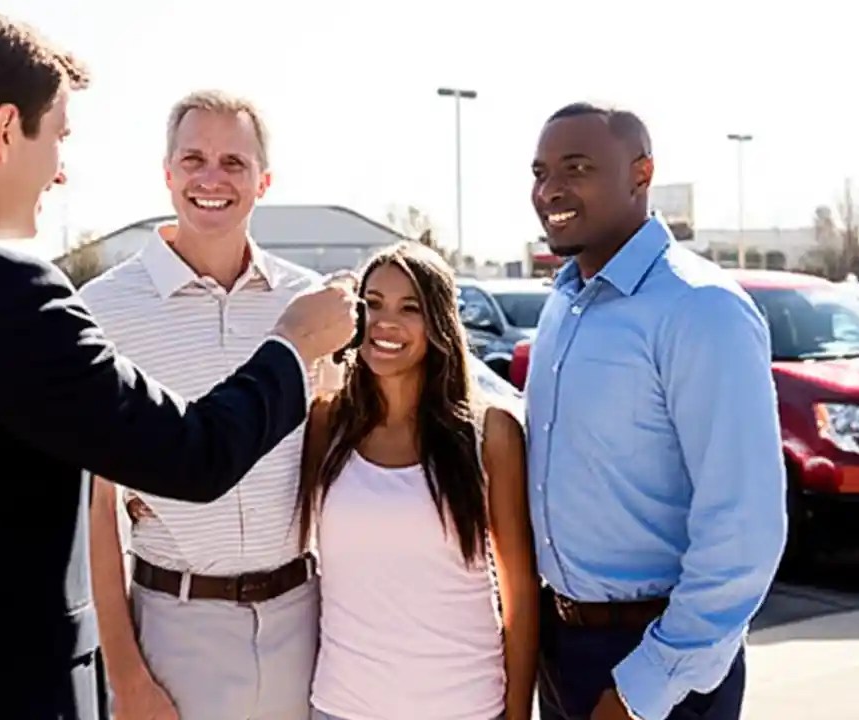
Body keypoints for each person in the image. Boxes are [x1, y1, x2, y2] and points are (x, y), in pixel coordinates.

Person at [0, 7, 358, 720]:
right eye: (59, 136)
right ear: (7, 130)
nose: (62, 170)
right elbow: (191, 458)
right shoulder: (14, 296)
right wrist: (294, 345)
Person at [82, 89, 342, 720]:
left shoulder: (311, 307)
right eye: (194, 159)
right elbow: (94, 511)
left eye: (234, 163)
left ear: (263, 181)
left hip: (306, 624)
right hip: (174, 629)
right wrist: (127, 677)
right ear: (167, 173)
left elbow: (328, 455)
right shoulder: (102, 311)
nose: (212, 179)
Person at [524, 102, 787, 720]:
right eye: (539, 171)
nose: (549, 190)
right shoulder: (565, 302)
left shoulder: (701, 309)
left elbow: (743, 527)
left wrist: (646, 686)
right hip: (562, 650)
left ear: (641, 173)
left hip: (654, 663)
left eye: (577, 167)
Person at [298, 242, 540, 720]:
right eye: (372, 305)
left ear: (439, 323)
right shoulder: (326, 422)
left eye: (410, 307)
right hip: (343, 706)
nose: (386, 322)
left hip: (465, 706)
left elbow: (520, 592)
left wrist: (516, 713)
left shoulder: (490, 434)